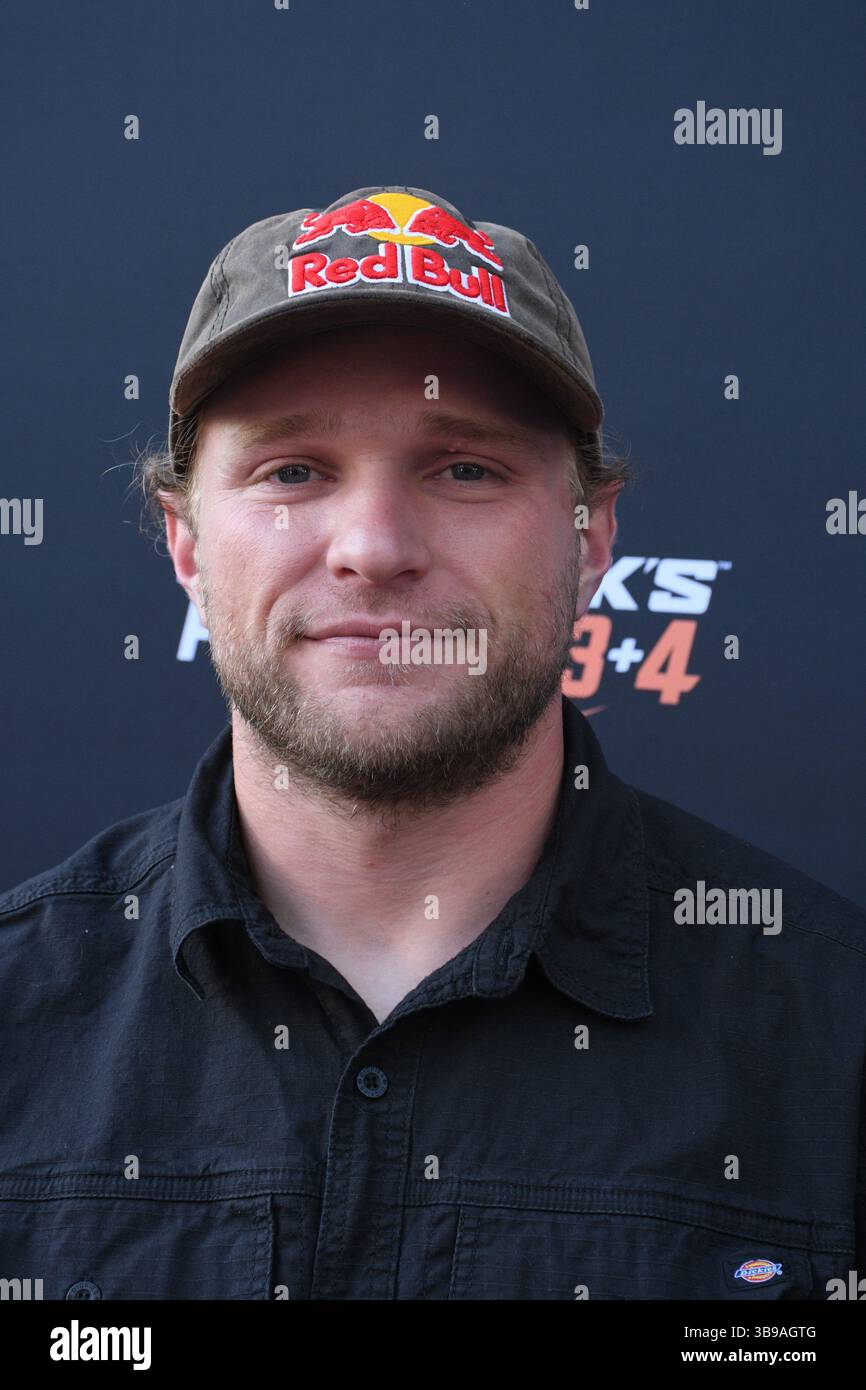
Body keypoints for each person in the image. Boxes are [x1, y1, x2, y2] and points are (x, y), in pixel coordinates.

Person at [1, 185, 864, 1302]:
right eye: (291, 470)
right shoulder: (22, 1015)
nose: (372, 548)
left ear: (589, 534)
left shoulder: (829, 1040)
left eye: (463, 467)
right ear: (185, 544)